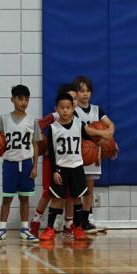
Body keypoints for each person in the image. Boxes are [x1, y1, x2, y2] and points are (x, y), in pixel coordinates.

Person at [0, 84, 41, 242]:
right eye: (20, 99)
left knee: (25, 198)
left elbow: (35, 144)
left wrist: (35, 166)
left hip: (26, 163)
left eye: (26, 99)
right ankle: (1, 229)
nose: (23, 102)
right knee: (7, 198)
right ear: (12, 99)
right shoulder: (3, 119)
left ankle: (25, 229)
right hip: (10, 164)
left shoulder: (32, 120)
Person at [39, 92, 89, 243]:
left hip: (77, 166)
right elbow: (52, 152)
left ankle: (78, 228)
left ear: (73, 108)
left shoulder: (79, 125)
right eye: (62, 108)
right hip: (61, 167)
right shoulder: (53, 128)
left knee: (77, 198)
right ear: (57, 109)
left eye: (68, 107)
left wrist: (105, 147)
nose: (65, 110)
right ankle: (49, 228)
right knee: (57, 199)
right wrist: (54, 170)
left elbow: (92, 141)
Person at [73, 76, 114, 233]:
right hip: (77, 154)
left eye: (87, 90)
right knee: (77, 191)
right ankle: (74, 221)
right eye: (81, 90)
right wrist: (102, 133)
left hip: (92, 155)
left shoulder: (97, 110)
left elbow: (111, 124)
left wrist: (109, 134)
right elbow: (85, 130)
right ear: (76, 93)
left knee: (90, 190)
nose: (85, 94)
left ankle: (86, 219)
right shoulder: (74, 110)